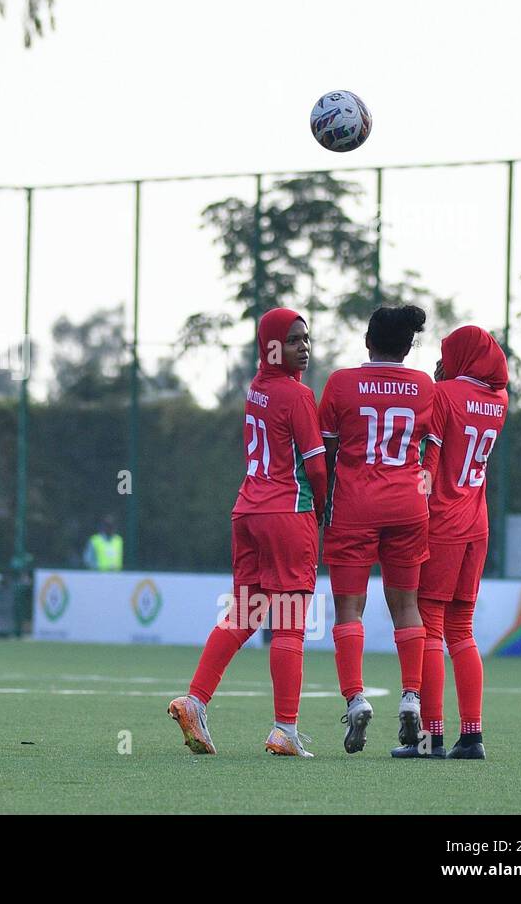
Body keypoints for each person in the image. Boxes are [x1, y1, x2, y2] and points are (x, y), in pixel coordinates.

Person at [168, 308, 327, 756]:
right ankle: (284, 730)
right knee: (291, 624)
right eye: (294, 340)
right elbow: (314, 463)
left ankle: (194, 700)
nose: (304, 347)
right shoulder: (297, 397)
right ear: (272, 346)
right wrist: (324, 503)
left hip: (248, 512)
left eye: (306, 339)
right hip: (287, 513)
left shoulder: (257, 388)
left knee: (244, 613)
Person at [318, 305, 435, 754]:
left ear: (367, 340)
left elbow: (324, 452)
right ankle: (410, 698)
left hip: (354, 506)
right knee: (406, 605)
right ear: (408, 346)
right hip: (408, 506)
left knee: (350, 609)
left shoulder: (341, 383)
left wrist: (323, 505)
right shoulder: (424, 386)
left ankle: (356, 699)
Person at [393, 326, 508, 760]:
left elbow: (430, 462)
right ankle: (472, 736)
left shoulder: (443, 395)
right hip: (477, 524)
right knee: (463, 631)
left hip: (442, 522)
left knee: (428, 630)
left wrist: (413, 503)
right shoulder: (499, 400)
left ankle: (431, 741)